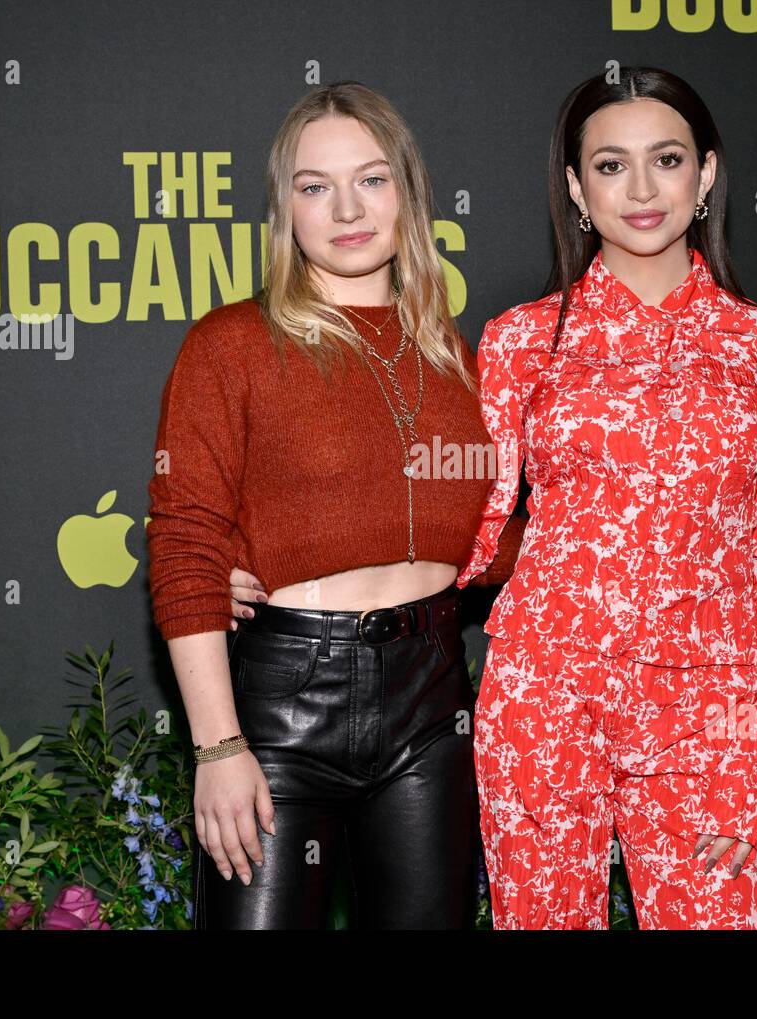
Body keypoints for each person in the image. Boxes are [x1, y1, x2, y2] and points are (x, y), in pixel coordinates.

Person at [146, 81, 523, 929]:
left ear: (409, 194)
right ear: (286, 209)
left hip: (432, 698)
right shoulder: (230, 345)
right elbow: (185, 542)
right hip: (283, 704)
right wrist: (216, 744)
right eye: (315, 186)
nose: (347, 207)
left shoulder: (461, 354)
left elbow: (487, 540)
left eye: (372, 179)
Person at [452, 67, 757, 929]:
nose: (642, 190)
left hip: (708, 722)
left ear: (707, 175)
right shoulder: (521, 341)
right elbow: (464, 529)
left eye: (668, 159)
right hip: (544, 703)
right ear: (576, 188)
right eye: (611, 166)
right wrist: (283, 556)